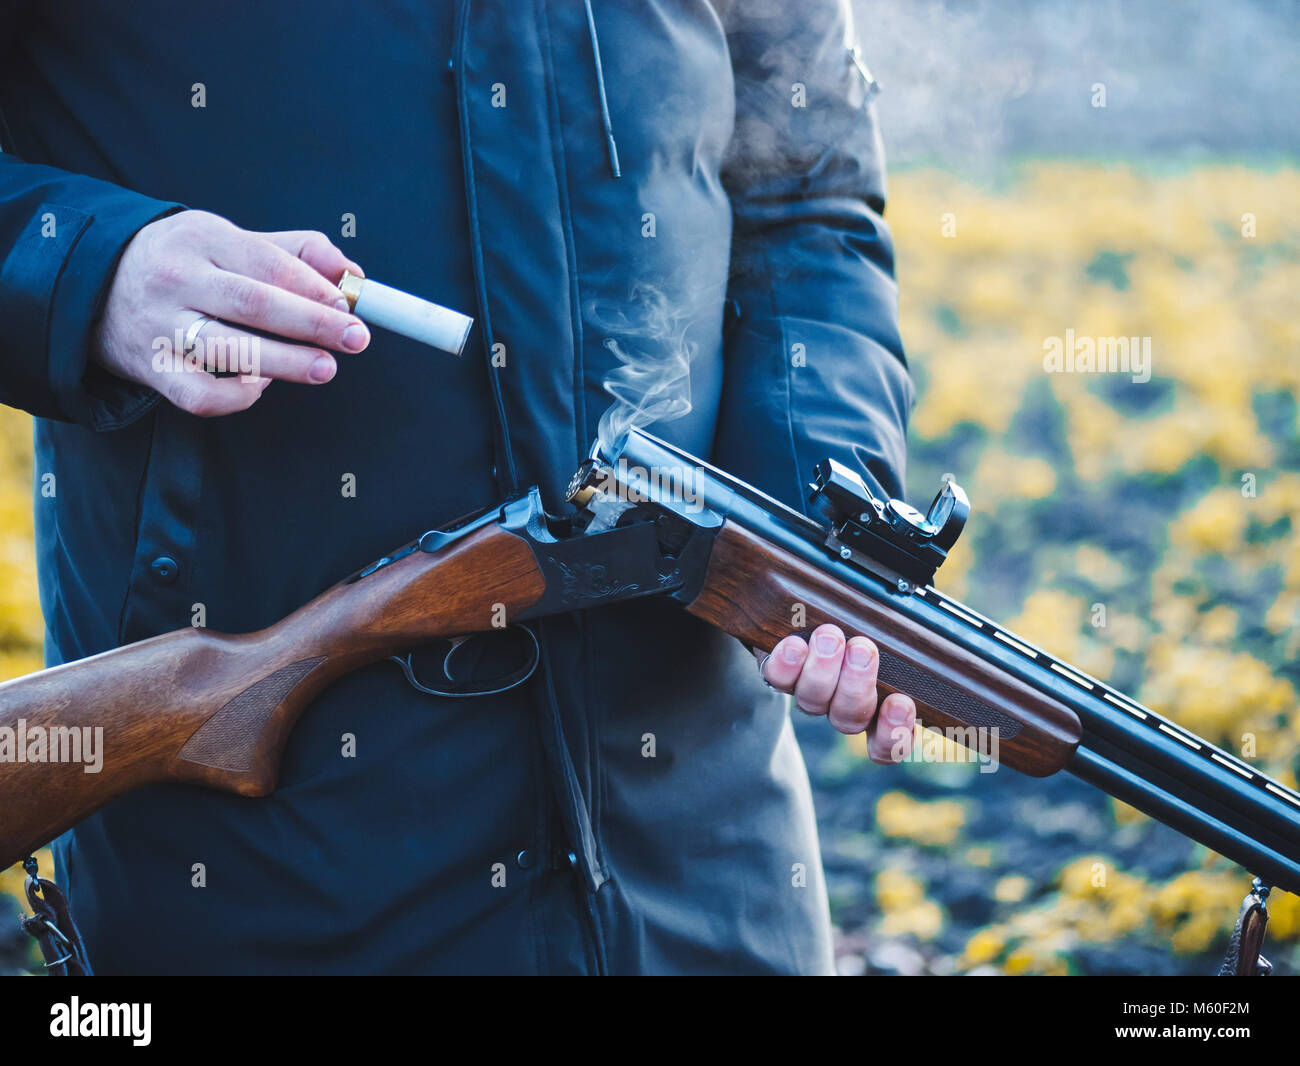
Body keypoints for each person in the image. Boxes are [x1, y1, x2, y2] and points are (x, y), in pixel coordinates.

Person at [0, 0, 916, 974]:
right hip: (264, 871)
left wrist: (813, 511)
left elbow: (809, 201)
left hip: (706, 847)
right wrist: (93, 270)